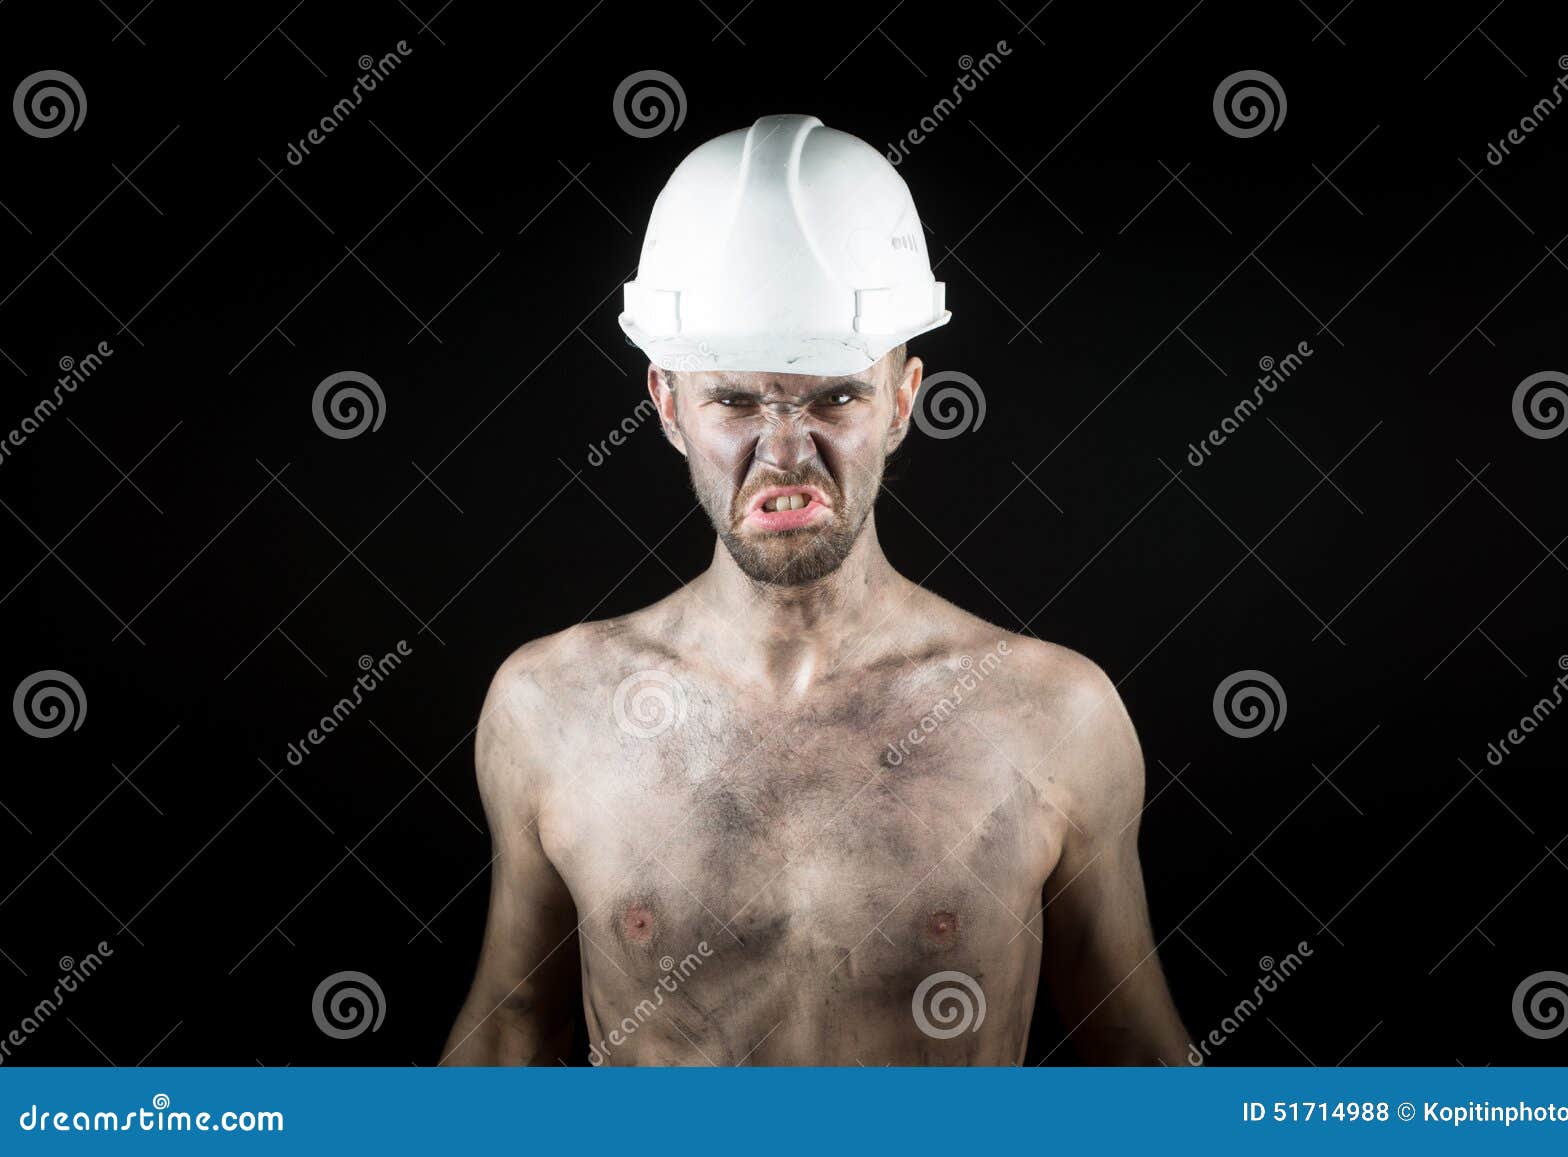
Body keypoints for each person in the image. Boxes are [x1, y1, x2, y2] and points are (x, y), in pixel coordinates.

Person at [441, 114, 1191, 1065]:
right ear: (668, 404)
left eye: (836, 395)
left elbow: (1141, 1068)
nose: (785, 452)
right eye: (735, 400)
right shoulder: (552, 705)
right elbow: (511, 1028)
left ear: (903, 399)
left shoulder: (1053, 714)